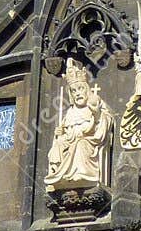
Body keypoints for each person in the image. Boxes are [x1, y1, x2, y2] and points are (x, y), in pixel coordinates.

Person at [45, 60, 113, 190]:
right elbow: (65, 132)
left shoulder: (94, 105)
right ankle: (59, 176)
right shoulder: (70, 112)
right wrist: (59, 134)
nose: (77, 93)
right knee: (58, 145)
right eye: (74, 90)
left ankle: (81, 173)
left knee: (80, 143)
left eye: (80, 89)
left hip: (88, 140)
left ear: (87, 90)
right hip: (70, 140)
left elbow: (106, 121)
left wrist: (97, 114)